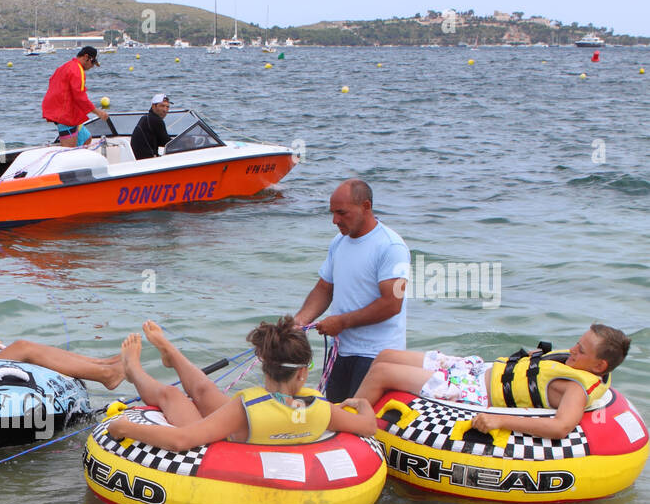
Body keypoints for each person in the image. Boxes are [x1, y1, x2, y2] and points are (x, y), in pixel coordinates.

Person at [104, 317, 376, 451]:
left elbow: (182, 441)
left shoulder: (246, 406)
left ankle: (133, 369)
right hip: (257, 423)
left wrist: (124, 427)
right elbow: (368, 426)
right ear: (303, 374)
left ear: (264, 365)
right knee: (205, 392)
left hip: (226, 443)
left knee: (172, 395)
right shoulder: (321, 408)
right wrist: (362, 403)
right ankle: (171, 353)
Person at [354, 324, 631, 439]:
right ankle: (352, 407)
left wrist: (499, 420)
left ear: (599, 366)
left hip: (472, 393)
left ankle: (350, 427)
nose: (572, 350)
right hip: (473, 369)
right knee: (385, 356)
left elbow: (561, 427)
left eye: (581, 350)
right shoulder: (572, 363)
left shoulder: (576, 388)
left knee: (383, 373)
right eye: (576, 344)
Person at [292, 179, 409, 402]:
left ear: (366, 206)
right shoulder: (339, 242)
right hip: (341, 352)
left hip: (376, 357)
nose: (335, 220)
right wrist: (299, 321)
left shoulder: (392, 247)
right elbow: (324, 288)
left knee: (358, 421)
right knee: (335, 417)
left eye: (342, 213)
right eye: (332, 213)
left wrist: (342, 322)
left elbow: (392, 304)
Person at [41, 46, 108, 148]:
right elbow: (80, 97)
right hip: (65, 116)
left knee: (86, 138)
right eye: (92, 63)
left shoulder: (65, 66)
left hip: (62, 111)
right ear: (86, 57)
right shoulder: (77, 70)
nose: (92, 66)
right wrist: (98, 112)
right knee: (69, 150)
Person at [130, 93, 172, 160]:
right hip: (148, 160)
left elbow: (162, 141)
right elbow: (168, 144)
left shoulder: (146, 118)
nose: (165, 110)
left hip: (139, 158)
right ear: (153, 106)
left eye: (167, 107)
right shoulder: (156, 120)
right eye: (162, 106)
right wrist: (184, 143)